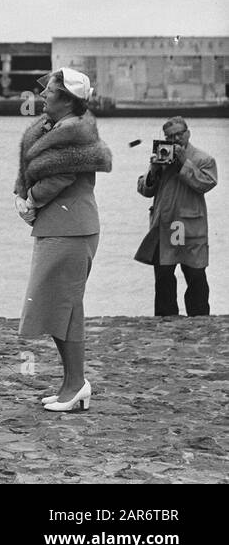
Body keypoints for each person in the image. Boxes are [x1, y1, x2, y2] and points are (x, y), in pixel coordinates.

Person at [14, 68, 112, 412]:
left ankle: (76, 384)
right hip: (64, 226)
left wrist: (30, 200)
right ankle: (73, 383)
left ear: (67, 99)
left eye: (50, 91)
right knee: (64, 309)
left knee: (64, 308)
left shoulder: (71, 134)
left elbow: (61, 175)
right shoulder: (59, 129)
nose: (42, 96)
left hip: (71, 228)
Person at [134, 116, 218, 316]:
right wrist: (154, 170)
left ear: (188, 133)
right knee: (163, 275)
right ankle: (165, 318)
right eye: (170, 136)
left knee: (195, 273)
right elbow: (145, 190)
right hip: (165, 224)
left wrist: (183, 163)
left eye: (179, 134)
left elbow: (206, 183)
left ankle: (199, 318)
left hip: (189, 226)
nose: (175, 139)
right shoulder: (162, 156)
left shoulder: (203, 159)